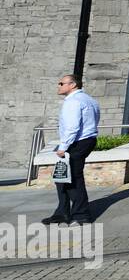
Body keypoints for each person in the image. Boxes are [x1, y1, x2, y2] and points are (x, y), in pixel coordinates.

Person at [43, 74, 100, 226]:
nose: (59, 86)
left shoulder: (73, 102)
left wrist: (63, 147)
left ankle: (81, 215)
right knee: (61, 177)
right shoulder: (89, 100)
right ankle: (62, 213)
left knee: (73, 179)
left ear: (73, 84)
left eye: (61, 83)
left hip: (77, 142)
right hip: (86, 140)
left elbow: (72, 127)